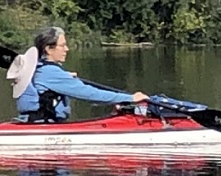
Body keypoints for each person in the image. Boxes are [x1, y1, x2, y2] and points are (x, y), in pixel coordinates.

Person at [8, 26, 146, 122]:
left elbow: (46, 81)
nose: (67, 49)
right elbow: (90, 94)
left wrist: (65, 77)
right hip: (44, 125)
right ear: (49, 49)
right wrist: (129, 98)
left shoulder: (38, 67)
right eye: (62, 45)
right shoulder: (50, 73)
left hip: (36, 122)